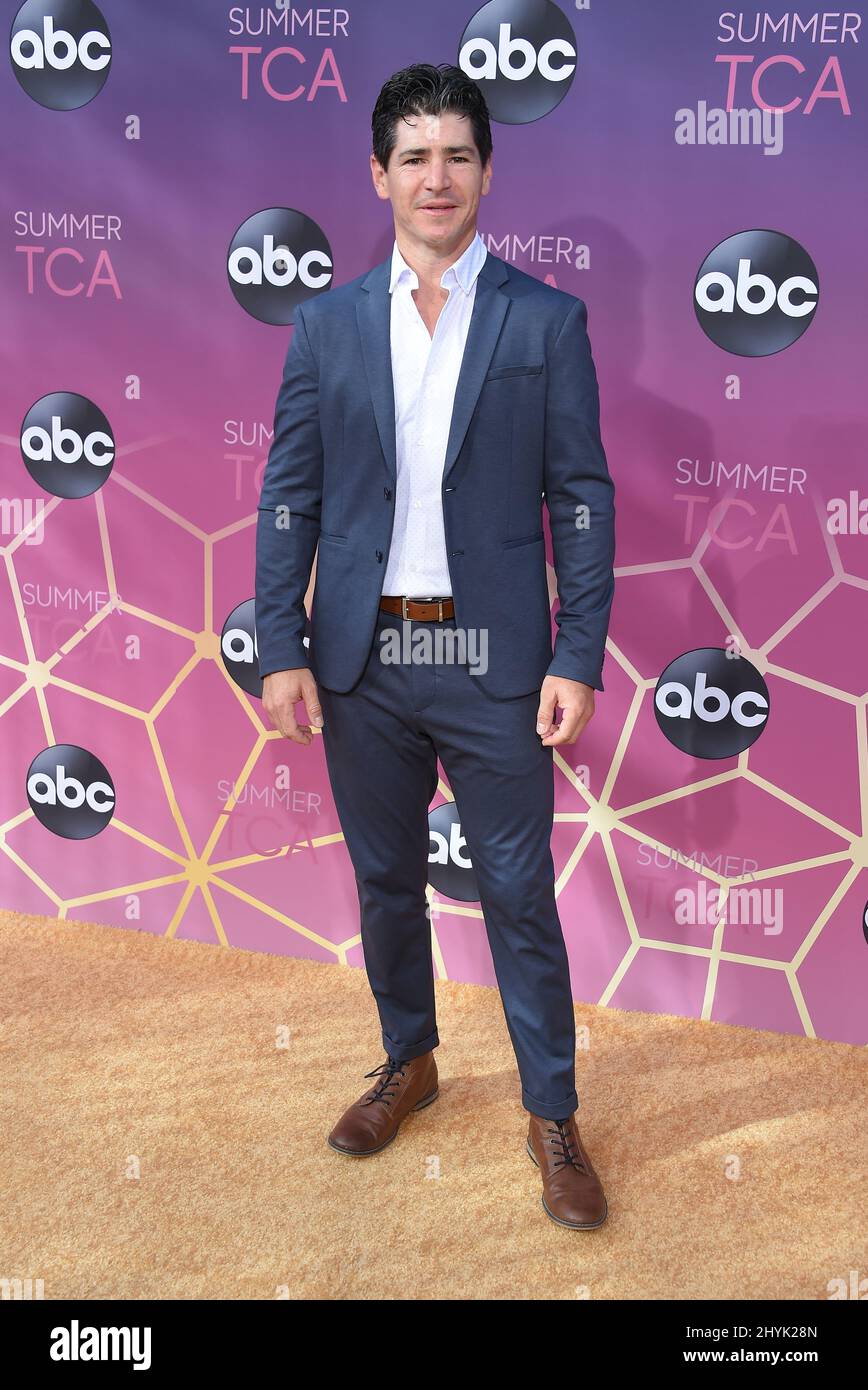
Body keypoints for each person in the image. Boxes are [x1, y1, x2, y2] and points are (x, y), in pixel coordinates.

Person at [254, 63, 615, 1229]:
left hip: (493, 660)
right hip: (363, 657)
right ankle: (408, 1059)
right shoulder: (321, 327)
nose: (436, 176)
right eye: (413, 156)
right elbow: (289, 500)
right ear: (378, 175)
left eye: (457, 153)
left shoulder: (545, 320)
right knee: (382, 880)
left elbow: (581, 498)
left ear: (487, 170)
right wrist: (280, 646)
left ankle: (551, 1112)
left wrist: (576, 654)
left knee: (517, 893)